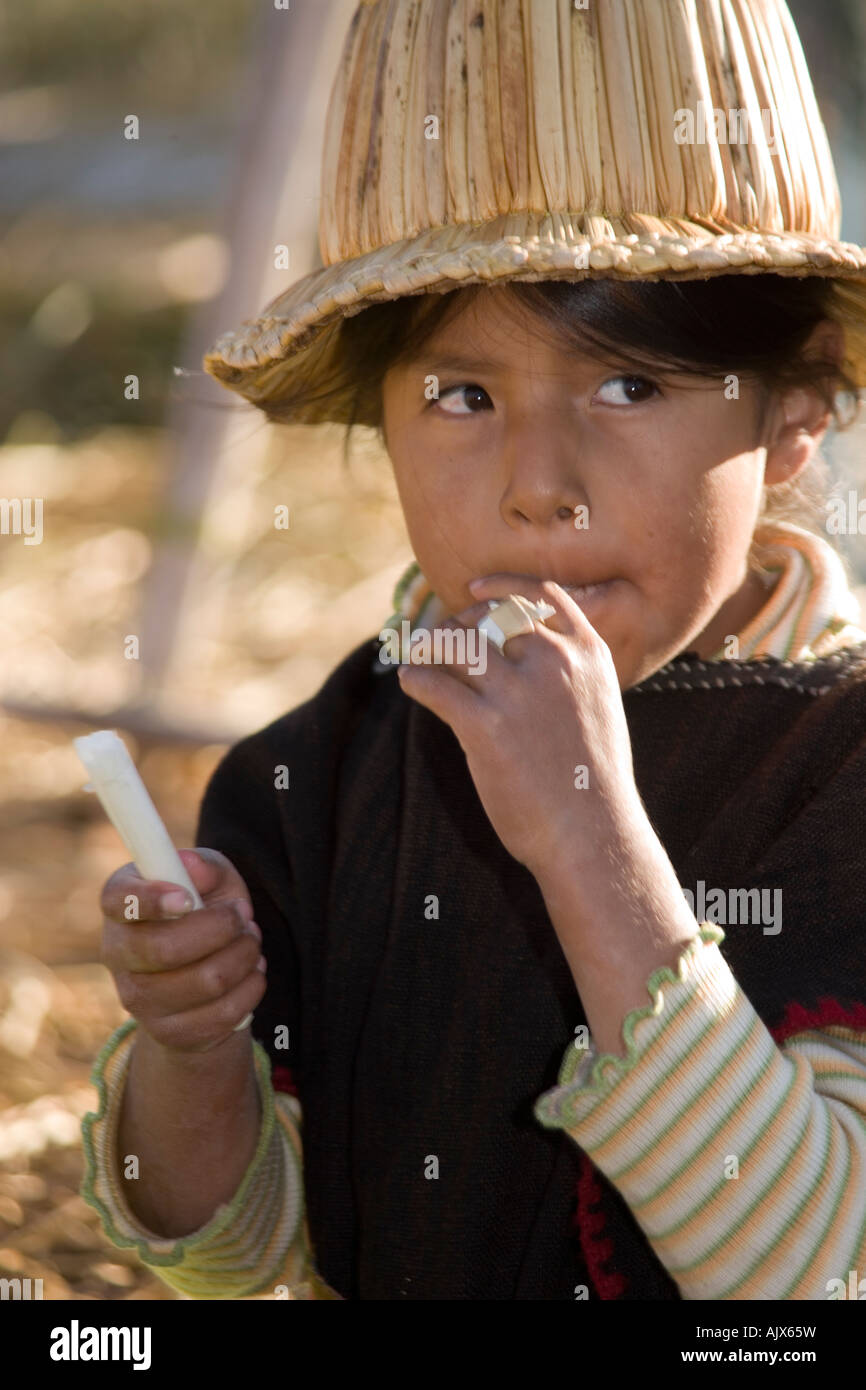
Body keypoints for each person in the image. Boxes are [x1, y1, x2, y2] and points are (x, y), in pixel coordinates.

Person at [81, 0, 866, 1300]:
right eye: (463, 396)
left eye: (628, 386)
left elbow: (816, 1274)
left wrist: (588, 843)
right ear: (379, 425)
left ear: (795, 415)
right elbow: (231, 1254)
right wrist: (191, 1044)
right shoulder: (316, 771)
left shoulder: (838, 774)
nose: (536, 484)